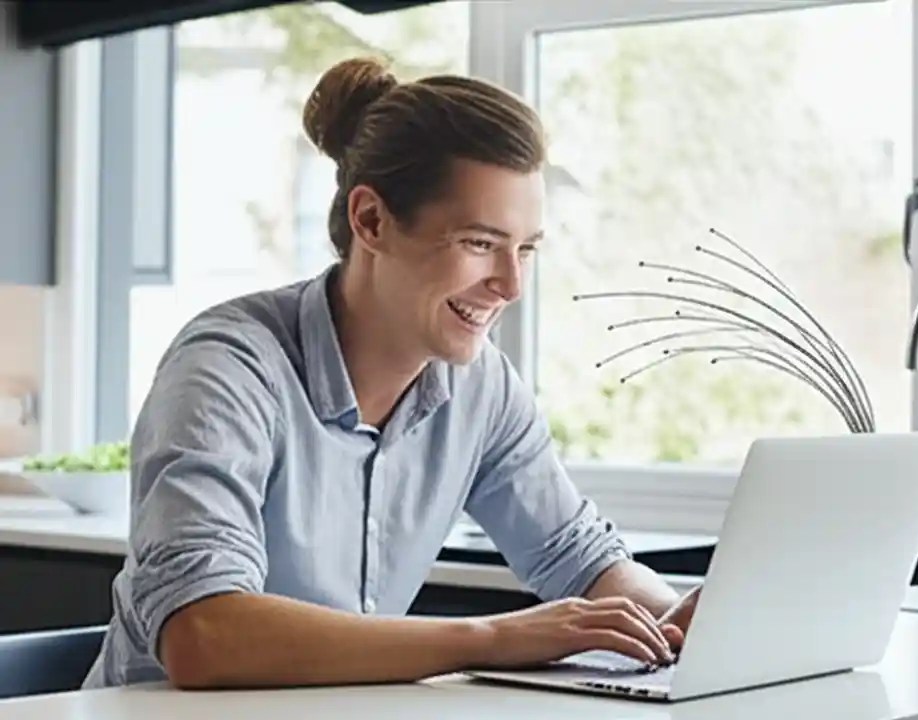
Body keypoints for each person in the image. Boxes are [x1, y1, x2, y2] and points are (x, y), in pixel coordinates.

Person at [82, 57, 699, 690]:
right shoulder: (228, 370)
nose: (511, 285)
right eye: (480, 244)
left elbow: (580, 557)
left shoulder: (480, 387)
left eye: (527, 248)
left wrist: (681, 620)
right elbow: (203, 634)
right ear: (370, 221)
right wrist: (493, 638)